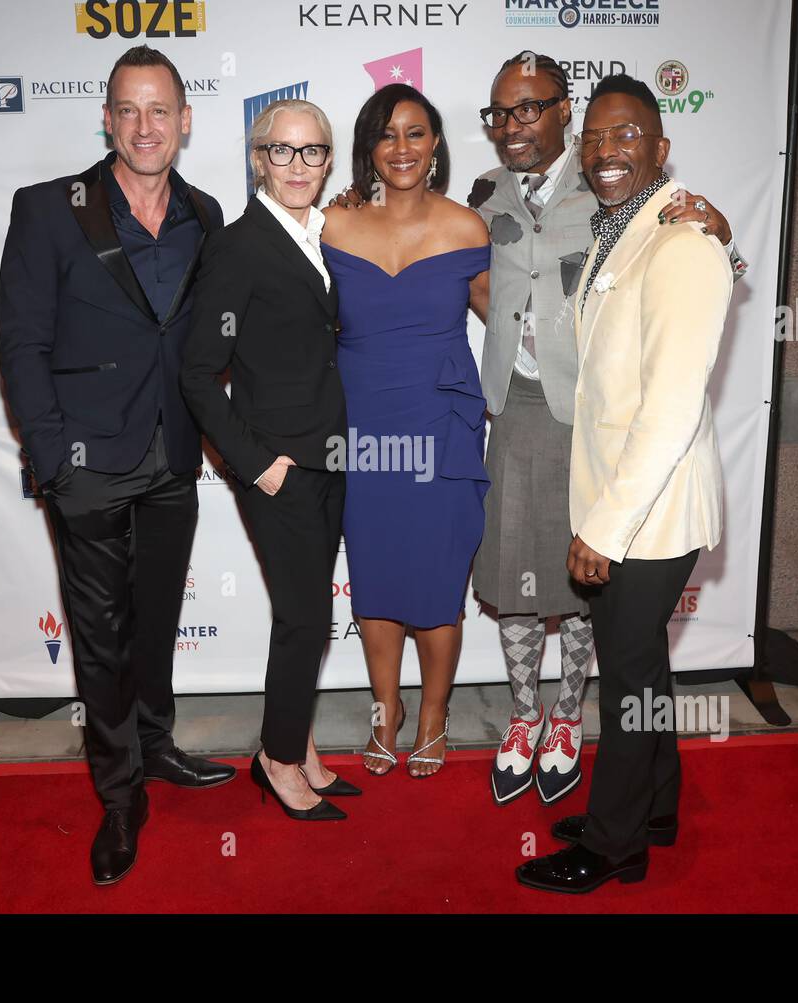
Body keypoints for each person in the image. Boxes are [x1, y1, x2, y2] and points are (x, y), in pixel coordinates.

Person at [468, 52, 747, 807]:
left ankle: (571, 730)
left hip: (600, 432)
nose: (514, 124)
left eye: (531, 107)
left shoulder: (623, 201)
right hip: (520, 409)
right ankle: (529, 721)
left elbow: (680, 284)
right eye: (500, 112)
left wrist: (723, 239)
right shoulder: (486, 193)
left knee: (600, 602)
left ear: (566, 111)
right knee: (520, 582)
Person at [0, 45, 235, 887]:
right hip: (87, 465)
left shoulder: (205, 214)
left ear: (185, 120)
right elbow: (20, 342)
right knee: (100, 638)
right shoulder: (50, 209)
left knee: (157, 618)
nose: (145, 127)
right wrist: (53, 456)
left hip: (173, 456)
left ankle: (157, 744)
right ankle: (119, 792)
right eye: (128, 111)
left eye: (160, 110)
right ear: (106, 118)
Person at [516, 74, 733, 894]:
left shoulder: (680, 243)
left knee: (629, 678)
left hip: (650, 511)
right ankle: (655, 809)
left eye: (628, 135)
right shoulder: (623, 229)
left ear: (662, 150)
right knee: (643, 666)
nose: (608, 150)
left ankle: (615, 846)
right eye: (596, 137)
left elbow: (671, 410)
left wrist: (604, 530)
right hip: (629, 502)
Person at [181, 99, 356, 820]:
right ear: (259, 158)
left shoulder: (318, 234)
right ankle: (277, 758)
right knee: (305, 618)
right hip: (278, 468)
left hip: (329, 458)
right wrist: (255, 463)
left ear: (327, 160)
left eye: (312, 151)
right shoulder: (238, 244)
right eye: (282, 151)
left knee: (308, 617)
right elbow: (197, 371)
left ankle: (299, 742)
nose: (297, 165)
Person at [320, 84, 491, 778]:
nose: (402, 148)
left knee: (438, 579)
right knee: (377, 576)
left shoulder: (467, 228)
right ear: (368, 149)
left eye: (416, 133)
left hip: (442, 422)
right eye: (387, 135)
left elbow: (511, 324)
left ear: (436, 145)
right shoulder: (333, 226)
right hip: (364, 425)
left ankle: (433, 715)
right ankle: (384, 715)